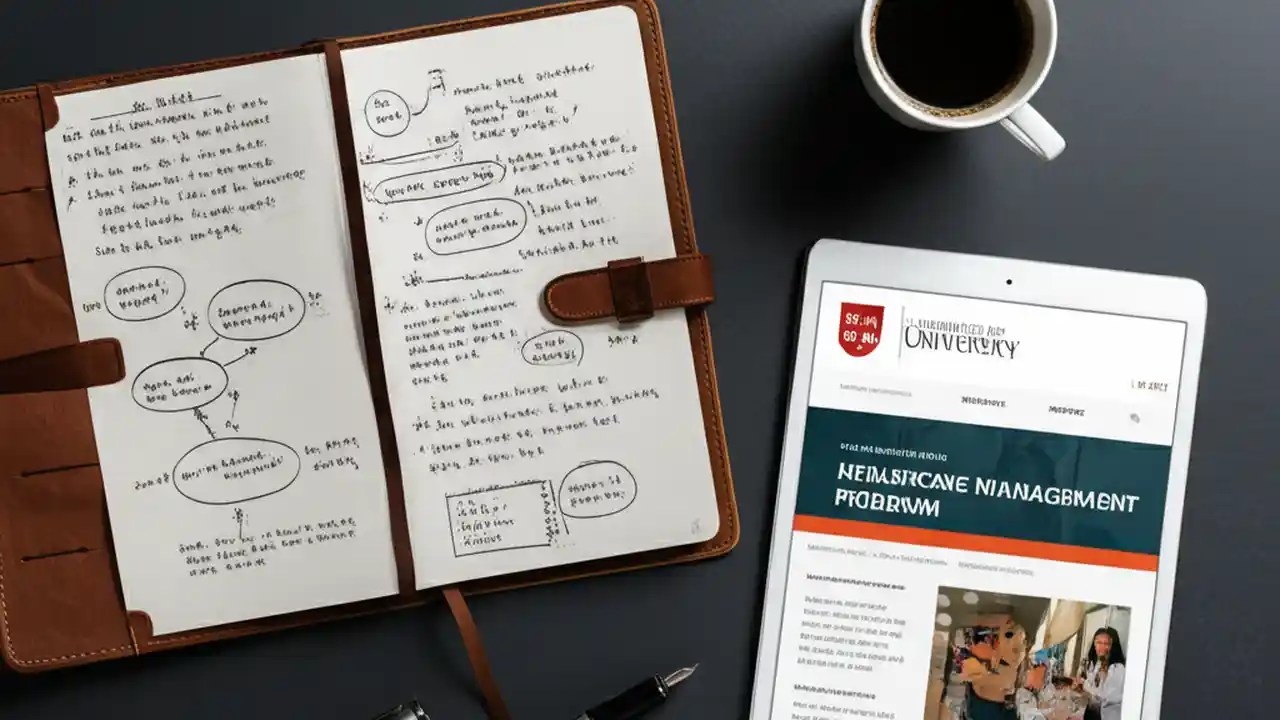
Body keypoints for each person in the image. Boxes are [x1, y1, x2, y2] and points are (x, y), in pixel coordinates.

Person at [1074, 627, 1126, 720]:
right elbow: (1094, 692)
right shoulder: (1098, 663)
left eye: (1106, 643)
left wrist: (1084, 685)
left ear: (1112, 646)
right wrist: (1081, 689)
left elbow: (1105, 696)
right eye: (1098, 642)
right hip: (1092, 713)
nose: (1101, 647)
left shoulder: (1117, 668)